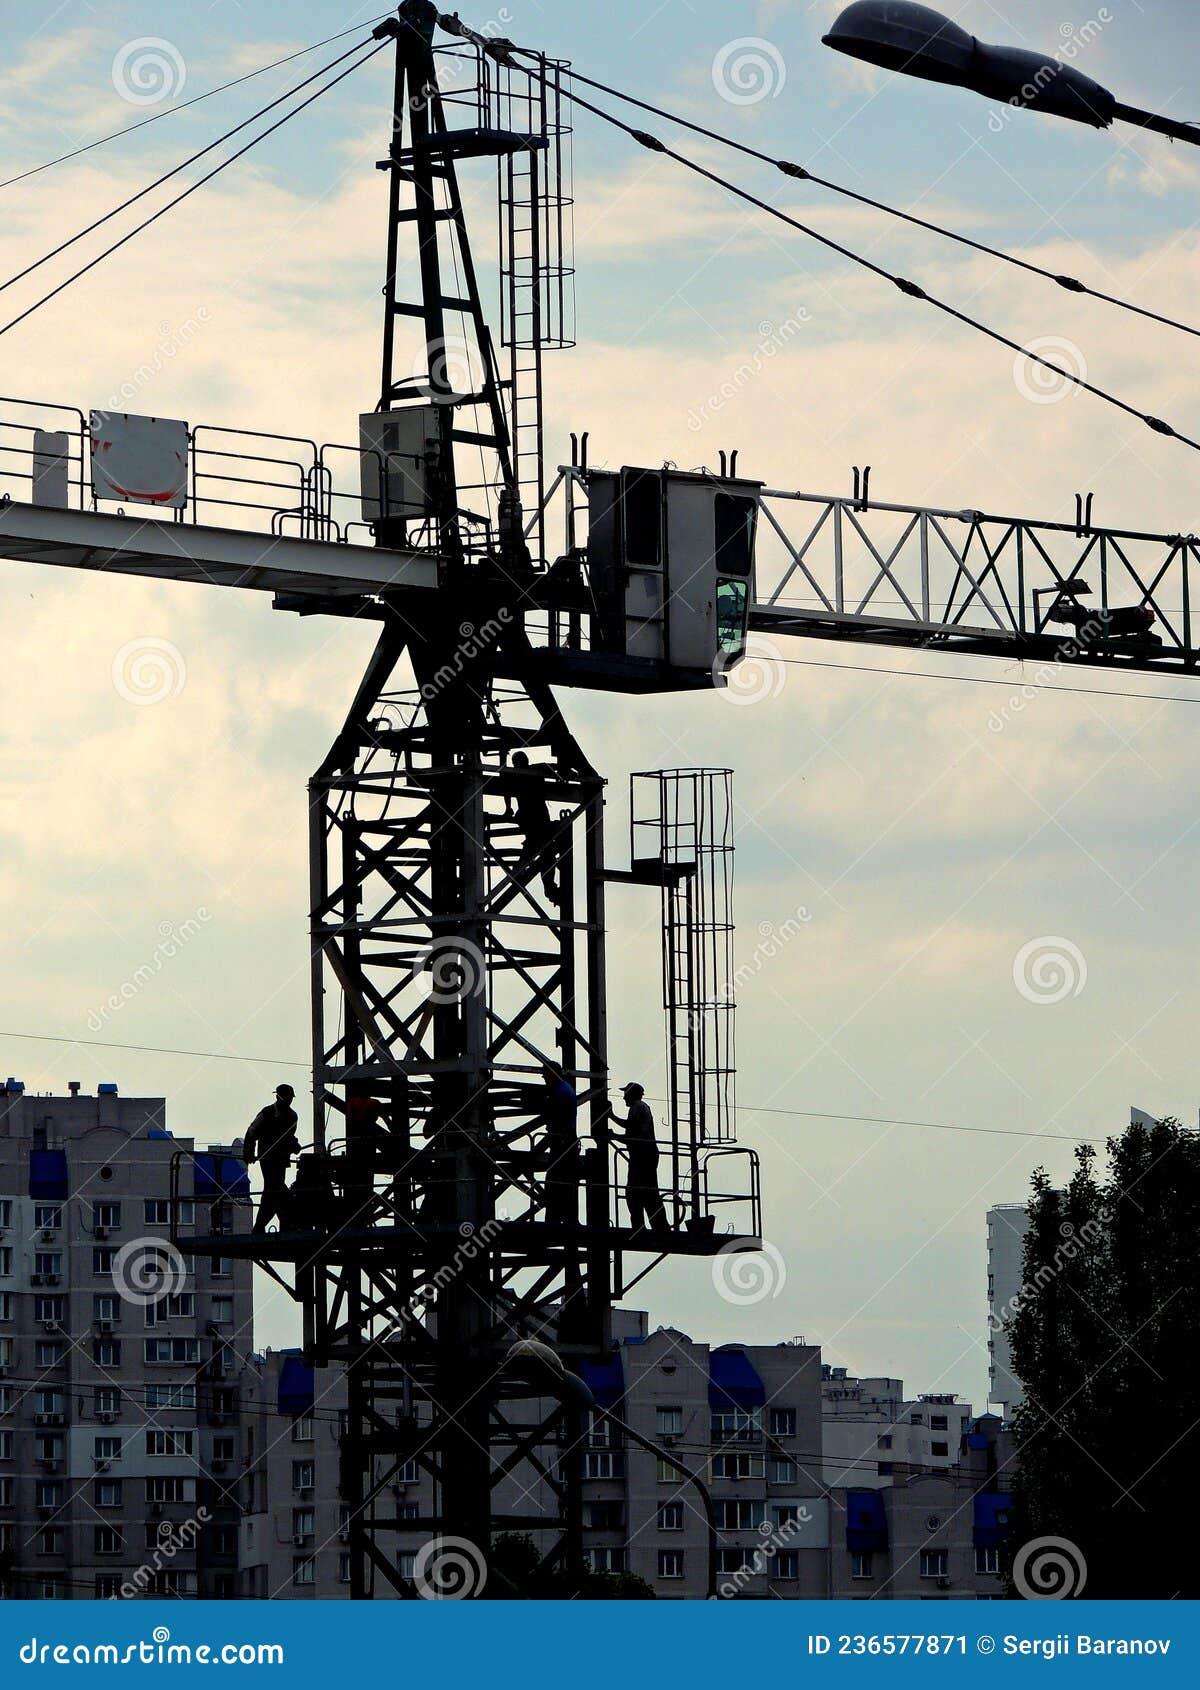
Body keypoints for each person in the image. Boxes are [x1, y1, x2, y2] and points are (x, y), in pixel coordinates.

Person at [608, 1081, 668, 1234]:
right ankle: (659, 1227)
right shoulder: (640, 1108)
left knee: (636, 1193)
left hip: (643, 1157)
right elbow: (631, 1129)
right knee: (648, 1193)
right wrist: (612, 1119)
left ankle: (642, 1227)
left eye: (625, 1094)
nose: (623, 1098)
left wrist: (613, 1129)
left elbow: (632, 1133)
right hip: (644, 1156)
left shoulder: (637, 1107)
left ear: (632, 1094)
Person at [243, 1083, 301, 1234]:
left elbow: (289, 1137)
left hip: (280, 1159)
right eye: (287, 1098)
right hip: (268, 1158)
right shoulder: (267, 1113)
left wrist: (293, 1145)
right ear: (278, 1097)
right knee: (275, 1189)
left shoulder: (292, 1116)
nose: (288, 1101)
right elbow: (252, 1132)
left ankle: (269, 1224)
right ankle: (282, 1222)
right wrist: (248, 1152)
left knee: (274, 1190)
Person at [509, 750, 559, 904]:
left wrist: (507, 808)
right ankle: (548, 888)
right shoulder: (533, 771)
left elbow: (506, 789)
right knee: (544, 853)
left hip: (531, 819)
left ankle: (519, 873)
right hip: (536, 819)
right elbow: (552, 767)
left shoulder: (517, 775)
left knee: (541, 852)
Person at [541, 1062, 579, 1226]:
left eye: (545, 1073)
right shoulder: (564, 1089)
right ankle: (565, 1218)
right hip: (566, 1140)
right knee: (563, 1180)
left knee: (556, 1180)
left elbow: (558, 1115)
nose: (543, 1077)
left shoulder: (561, 1091)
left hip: (563, 1141)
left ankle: (555, 1219)